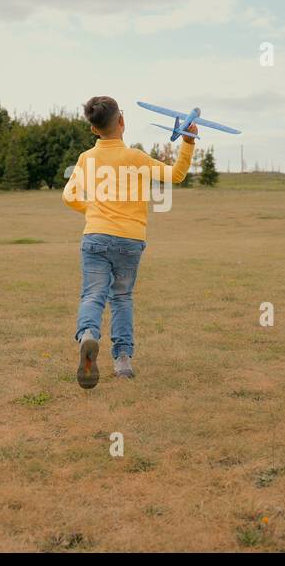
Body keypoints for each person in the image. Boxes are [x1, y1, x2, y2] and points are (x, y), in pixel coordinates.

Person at [62, 96, 194, 388]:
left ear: (94, 129)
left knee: (92, 296)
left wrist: (94, 211)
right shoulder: (135, 157)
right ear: (121, 121)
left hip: (95, 236)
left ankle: (88, 335)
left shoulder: (86, 159)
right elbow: (177, 175)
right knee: (121, 298)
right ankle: (122, 360)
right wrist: (188, 142)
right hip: (130, 240)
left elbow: (69, 196)